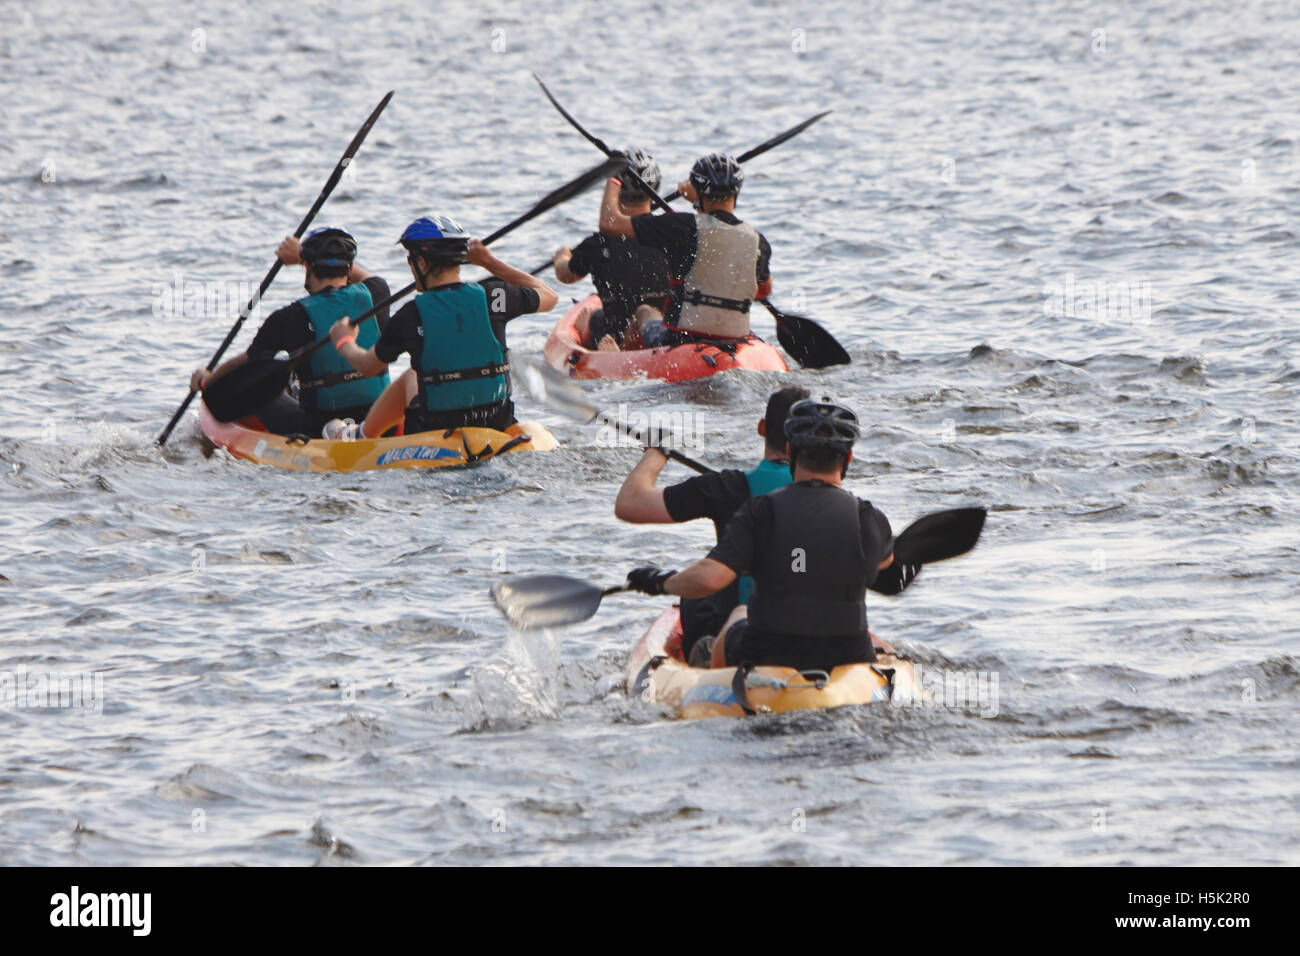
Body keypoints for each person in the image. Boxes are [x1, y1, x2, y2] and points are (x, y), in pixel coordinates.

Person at [623, 398, 921, 673]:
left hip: (766, 653)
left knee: (741, 611)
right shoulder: (869, 518)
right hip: (849, 655)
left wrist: (660, 582)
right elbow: (886, 567)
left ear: (790, 451)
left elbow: (709, 579)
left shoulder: (760, 512)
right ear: (849, 457)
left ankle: (716, 680)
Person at [614, 386, 809, 666]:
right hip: (806, 628)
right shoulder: (832, 498)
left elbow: (629, 504)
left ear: (762, 428)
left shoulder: (727, 488)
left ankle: (708, 656)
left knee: (698, 597)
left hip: (737, 631)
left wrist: (656, 453)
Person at [323, 215, 558, 439]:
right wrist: (489, 262)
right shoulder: (493, 295)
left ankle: (361, 434)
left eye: (410, 260)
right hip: (497, 421)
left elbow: (368, 367)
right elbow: (549, 296)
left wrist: (344, 341)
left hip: (435, 427)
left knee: (411, 374)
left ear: (422, 263)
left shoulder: (411, 314)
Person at [190, 227, 391, 435]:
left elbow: (247, 364)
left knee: (260, 390)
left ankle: (330, 429)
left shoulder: (287, 318)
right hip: (378, 417)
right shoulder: (378, 294)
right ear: (349, 269)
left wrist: (205, 381)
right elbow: (367, 277)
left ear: (307, 268)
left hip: (316, 427)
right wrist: (302, 256)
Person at [597, 152, 772, 348]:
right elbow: (763, 291)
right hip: (734, 340)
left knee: (645, 313)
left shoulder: (681, 227)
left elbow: (609, 223)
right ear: (736, 192)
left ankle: (620, 359)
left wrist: (614, 176)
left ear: (697, 191)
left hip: (680, 341)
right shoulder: (758, 241)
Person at [551, 148, 670, 351]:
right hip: (667, 331)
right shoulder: (671, 234)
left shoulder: (598, 243)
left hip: (614, 334)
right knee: (598, 316)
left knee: (594, 318)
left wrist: (562, 255)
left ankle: (600, 338)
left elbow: (566, 275)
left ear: (615, 191)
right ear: (655, 187)